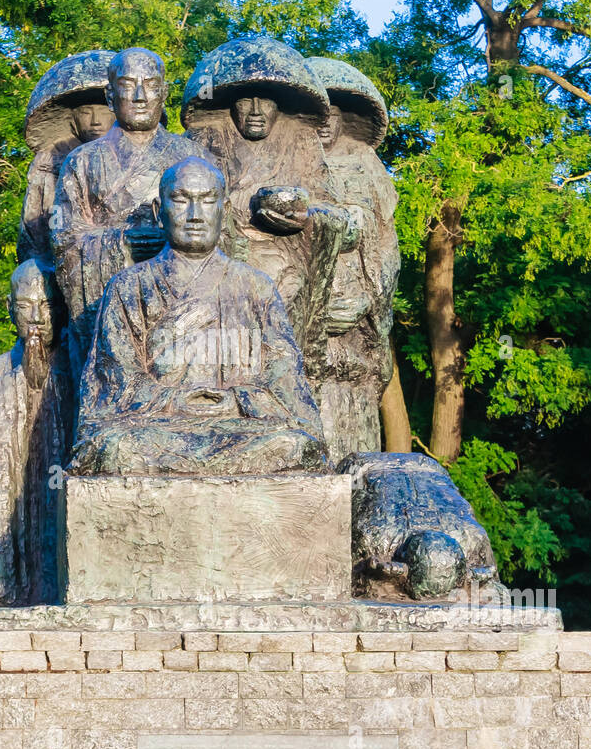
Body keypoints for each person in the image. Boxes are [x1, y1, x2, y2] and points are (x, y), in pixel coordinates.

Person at [70, 157, 328, 476]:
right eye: (181, 200)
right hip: (160, 433)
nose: (194, 215)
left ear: (225, 209)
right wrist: (176, 401)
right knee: (115, 449)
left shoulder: (256, 287)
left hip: (240, 432)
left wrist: (235, 401)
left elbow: (285, 381)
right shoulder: (128, 287)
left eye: (207, 201)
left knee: (295, 446)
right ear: (158, 212)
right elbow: (113, 385)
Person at [182, 36, 359, 375]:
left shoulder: (302, 142)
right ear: (230, 103)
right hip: (214, 257)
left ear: (280, 105)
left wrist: (305, 217)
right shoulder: (203, 140)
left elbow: (339, 218)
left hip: (285, 261)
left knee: (282, 294)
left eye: (265, 102)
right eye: (245, 101)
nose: (255, 111)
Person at [50, 48, 213, 381]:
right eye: (127, 84)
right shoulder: (82, 162)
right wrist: (121, 243)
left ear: (164, 93)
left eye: (151, 84)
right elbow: (64, 241)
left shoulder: (192, 156)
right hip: (106, 301)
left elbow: (223, 231)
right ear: (110, 96)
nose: (140, 96)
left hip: (181, 302)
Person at [0, 259, 72, 606]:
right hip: (11, 494)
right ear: (10, 309)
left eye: (47, 304)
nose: (36, 316)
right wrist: (16, 382)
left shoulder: (78, 366)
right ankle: (2, 575)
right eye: (25, 305)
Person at [307, 56, 402, 463]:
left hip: (357, 303)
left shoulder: (366, 164)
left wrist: (369, 298)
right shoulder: (287, 165)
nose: (326, 122)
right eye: (318, 114)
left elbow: (385, 244)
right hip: (307, 302)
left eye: (334, 113)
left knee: (352, 415)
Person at [18, 50, 117, 264]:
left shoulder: (137, 158)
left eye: (104, 112)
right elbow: (35, 224)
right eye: (86, 113)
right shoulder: (49, 160)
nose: (95, 121)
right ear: (73, 120)